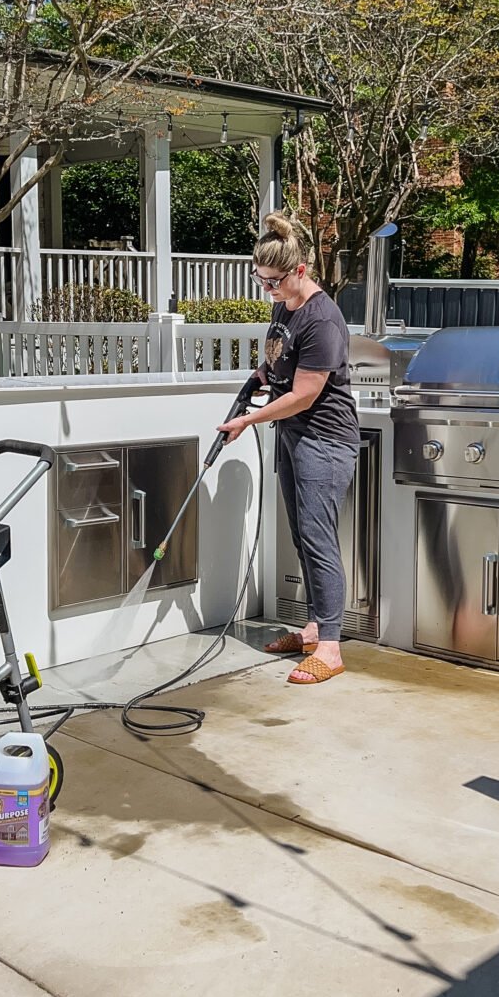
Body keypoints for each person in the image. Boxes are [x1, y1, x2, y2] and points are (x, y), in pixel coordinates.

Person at [217, 212, 360, 685]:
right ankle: (314, 629)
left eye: (274, 282)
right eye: (261, 281)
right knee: (300, 535)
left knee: (318, 539)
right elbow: (282, 361)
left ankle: (332, 647)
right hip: (293, 434)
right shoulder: (285, 305)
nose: (268, 291)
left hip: (324, 439)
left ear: (300, 271)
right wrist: (264, 375)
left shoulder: (323, 320)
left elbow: (304, 394)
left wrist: (247, 420)